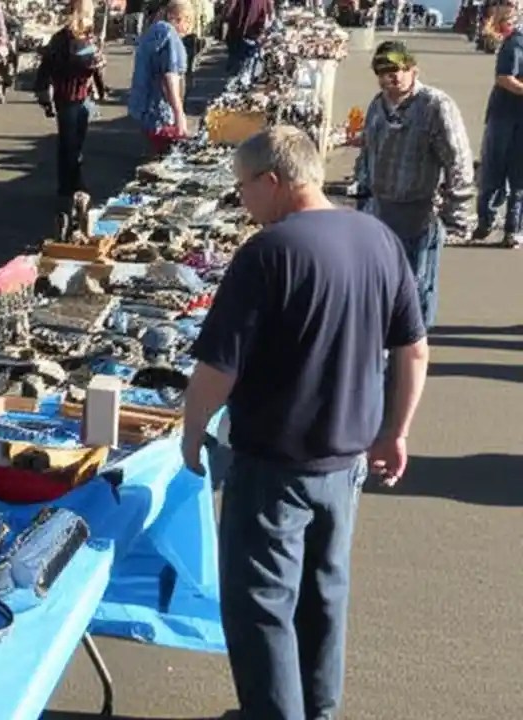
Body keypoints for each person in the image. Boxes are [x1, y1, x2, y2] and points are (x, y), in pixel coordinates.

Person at [182, 126, 429, 720]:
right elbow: (413, 349)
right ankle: (319, 710)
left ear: (273, 182)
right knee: (324, 597)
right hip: (346, 463)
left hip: (273, 462)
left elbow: (218, 367)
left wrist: (192, 434)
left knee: (261, 606)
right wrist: (396, 430)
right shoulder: (376, 237)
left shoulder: (267, 252)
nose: (242, 200)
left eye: (243, 188)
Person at [354, 41, 474, 329]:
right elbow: (367, 152)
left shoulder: (435, 105)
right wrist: (362, 194)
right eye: (384, 71)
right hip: (380, 212)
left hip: (420, 213)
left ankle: (412, 349)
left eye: (398, 69)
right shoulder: (377, 105)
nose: (391, 77)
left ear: (413, 70)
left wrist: (456, 214)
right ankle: (385, 349)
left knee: (417, 289)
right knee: (381, 286)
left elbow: (458, 160)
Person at [35, 0, 107, 202]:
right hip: (67, 95)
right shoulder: (63, 39)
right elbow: (47, 67)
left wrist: (100, 87)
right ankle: (69, 184)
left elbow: (97, 68)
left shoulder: (89, 38)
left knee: (76, 141)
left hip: (81, 95)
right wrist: (43, 96)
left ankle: (72, 182)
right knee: (69, 142)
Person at [474, 0, 523, 247]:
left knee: (518, 178)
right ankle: (486, 221)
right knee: (496, 172)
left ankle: (511, 229)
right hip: (504, 116)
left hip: (513, 118)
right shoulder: (516, 42)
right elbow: (505, 78)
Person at [128, 0, 193, 154]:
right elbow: (170, 77)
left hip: (146, 108)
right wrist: (179, 114)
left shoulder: (153, 32)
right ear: (176, 18)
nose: (189, 27)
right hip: (160, 110)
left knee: (157, 150)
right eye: (188, 20)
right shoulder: (170, 36)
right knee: (168, 155)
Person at [222, 0, 271, 78]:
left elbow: (230, 7)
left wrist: (226, 17)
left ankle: (236, 75)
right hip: (250, 29)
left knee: (239, 57)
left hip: (240, 30)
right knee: (245, 58)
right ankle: (239, 77)